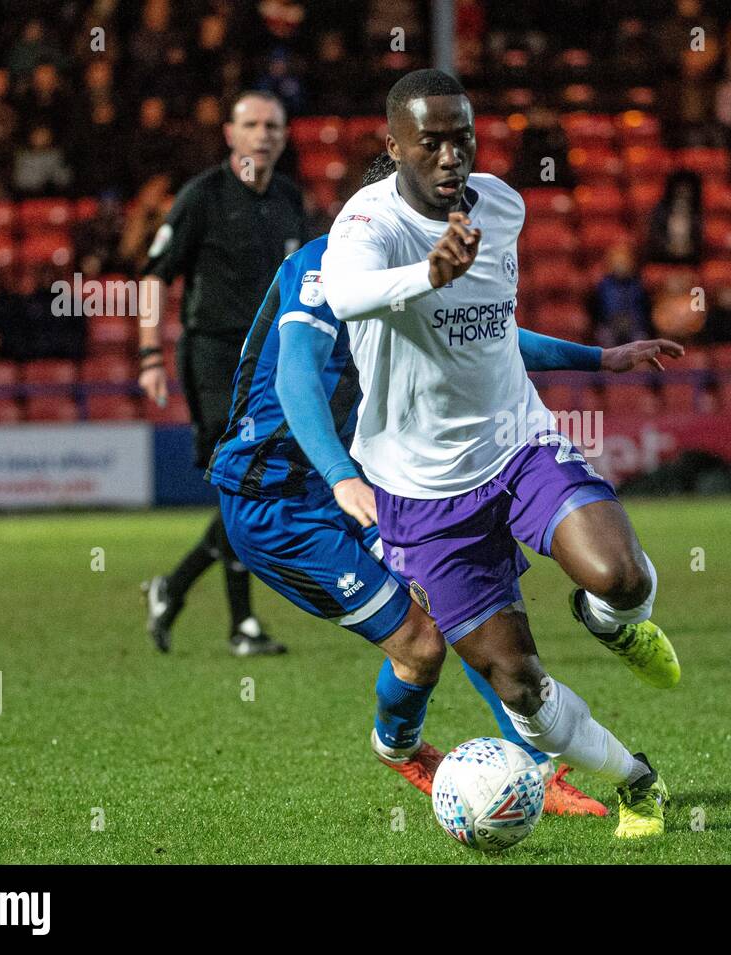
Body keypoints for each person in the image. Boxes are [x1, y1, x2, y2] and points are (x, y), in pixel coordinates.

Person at [210, 151, 678, 816]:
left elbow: (496, 340)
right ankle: (400, 749)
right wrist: (340, 476)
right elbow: (295, 379)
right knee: (422, 643)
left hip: (363, 477)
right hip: (278, 501)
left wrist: (599, 359)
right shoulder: (322, 267)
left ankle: (543, 768)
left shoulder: (421, 269)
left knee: (467, 612)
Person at [322, 70, 682, 837]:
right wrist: (429, 272)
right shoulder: (367, 225)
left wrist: (599, 358)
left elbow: (491, 332)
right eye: (432, 143)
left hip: (516, 442)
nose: (453, 157)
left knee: (621, 575)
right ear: (395, 148)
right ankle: (637, 780)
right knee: (519, 684)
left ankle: (614, 620)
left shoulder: (504, 206)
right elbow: (345, 295)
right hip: (418, 492)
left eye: (464, 138)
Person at [138, 90, 306, 656]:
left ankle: (176, 587)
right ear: (230, 135)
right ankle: (242, 626)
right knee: (243, 482)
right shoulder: (202, 196)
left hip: (271, 363)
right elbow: (154, 278)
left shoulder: (288, 200)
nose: (263, 135)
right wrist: (149, 356)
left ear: (284, 137)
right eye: (251, 125)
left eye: (273, 126)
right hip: (212, 359)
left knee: (252, 487)